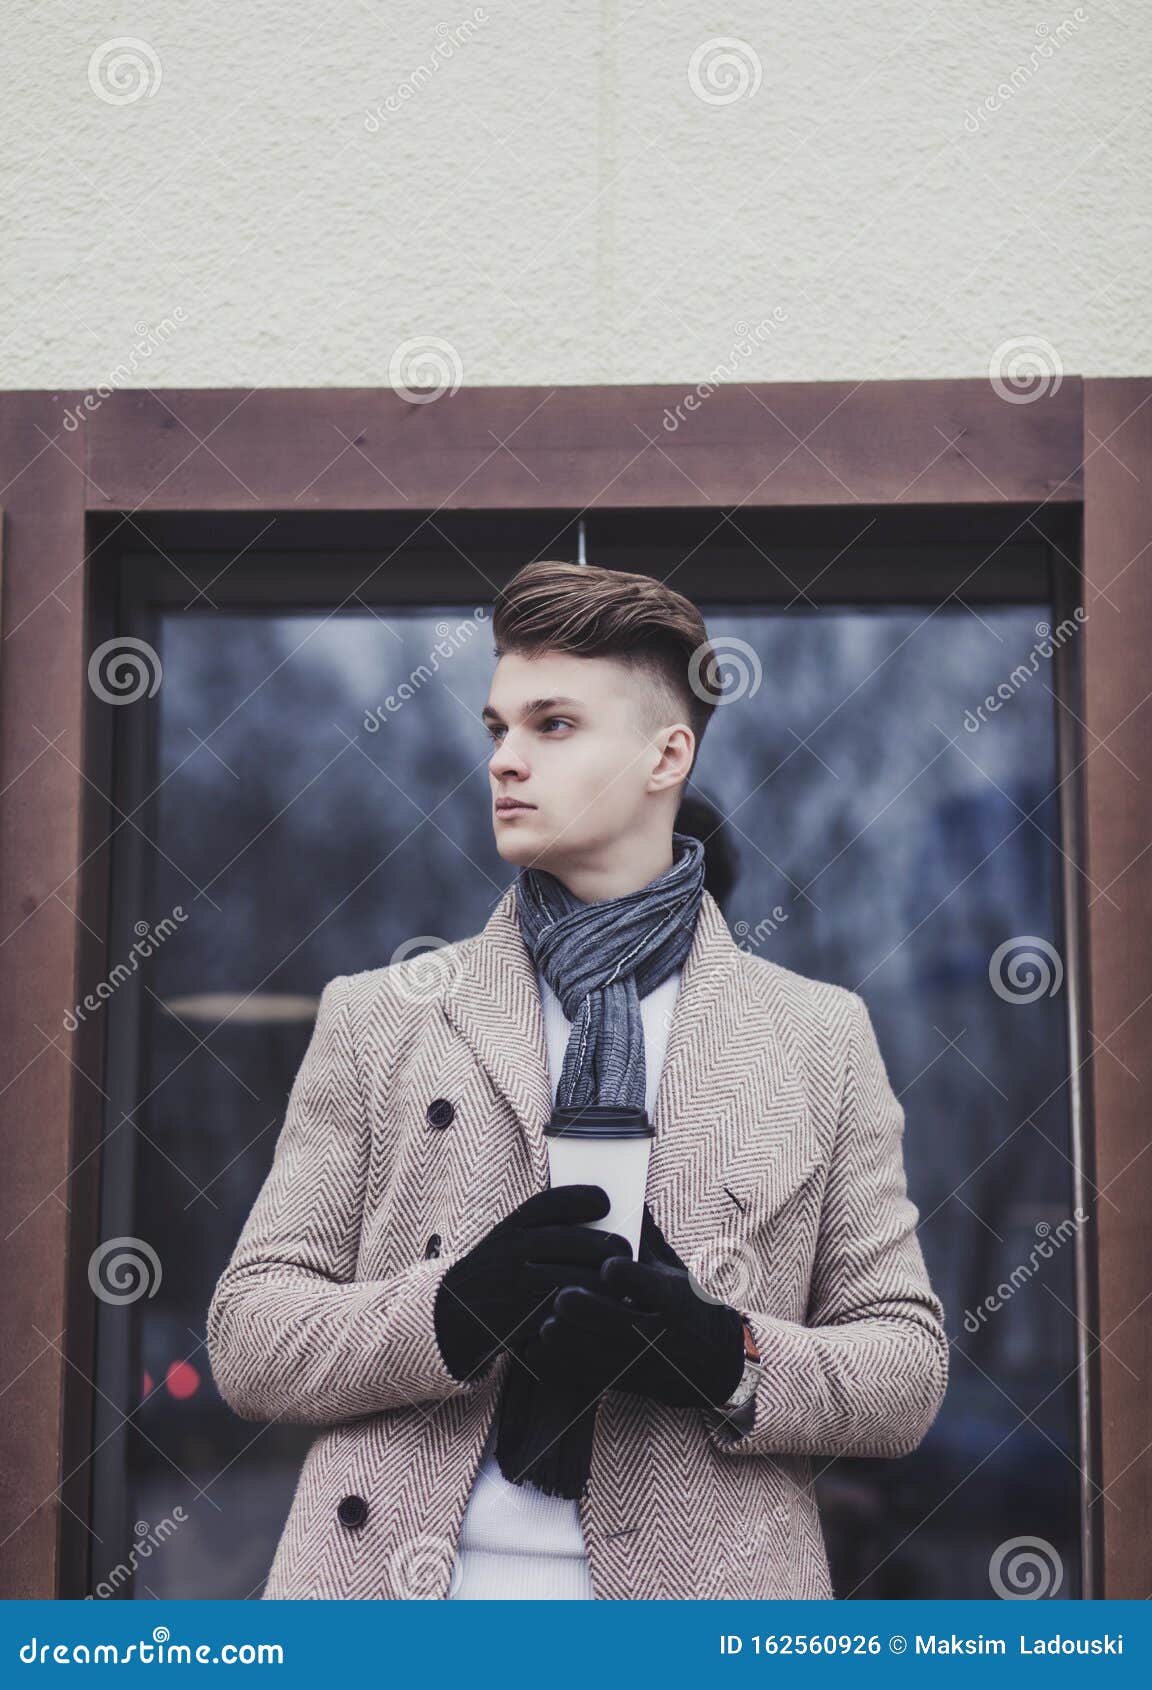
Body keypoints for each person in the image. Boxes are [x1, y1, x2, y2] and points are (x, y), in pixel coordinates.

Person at [206, 559, 948, 1600]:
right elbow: (248, 1336)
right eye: (498, 727)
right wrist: (450, 1312)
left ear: (666, 755)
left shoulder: (816, 1036)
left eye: (552, 725)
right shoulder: (382, 1015)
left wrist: (722, 1353)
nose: (505, 760)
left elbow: (907, 1371)